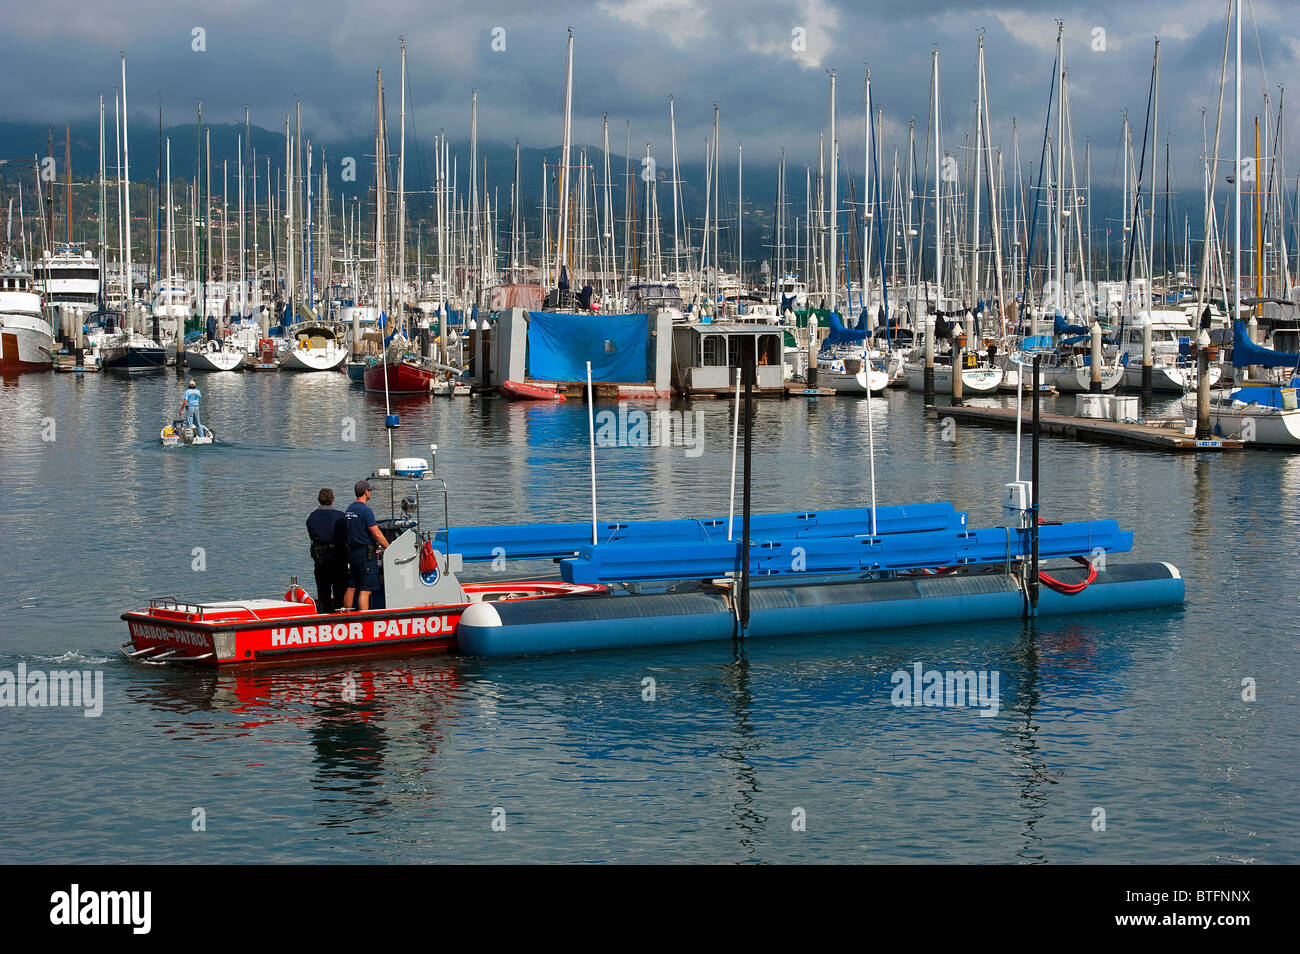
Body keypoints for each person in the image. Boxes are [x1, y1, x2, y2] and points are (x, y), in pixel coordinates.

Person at [342, 479, 388, 612]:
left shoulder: (349, 509)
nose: (370, 493)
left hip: (352, 553)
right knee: (365, 589)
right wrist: (388, 547)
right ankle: (364, 618)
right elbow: (376, 533)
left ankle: (347, 615)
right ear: (365, 492)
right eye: (370, 491)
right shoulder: (366, 511)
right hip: (365, 555)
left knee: (351, 586)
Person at [306, 488, 348, 612]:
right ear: (332, 500)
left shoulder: (312, 517)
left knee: (323, 591)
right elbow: (347, 536)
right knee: (339, 591)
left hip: (320, 559)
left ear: (319, 500)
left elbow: (312, 536)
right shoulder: (340, 516)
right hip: (338, 559)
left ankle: (324, 614)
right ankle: (340, 614)